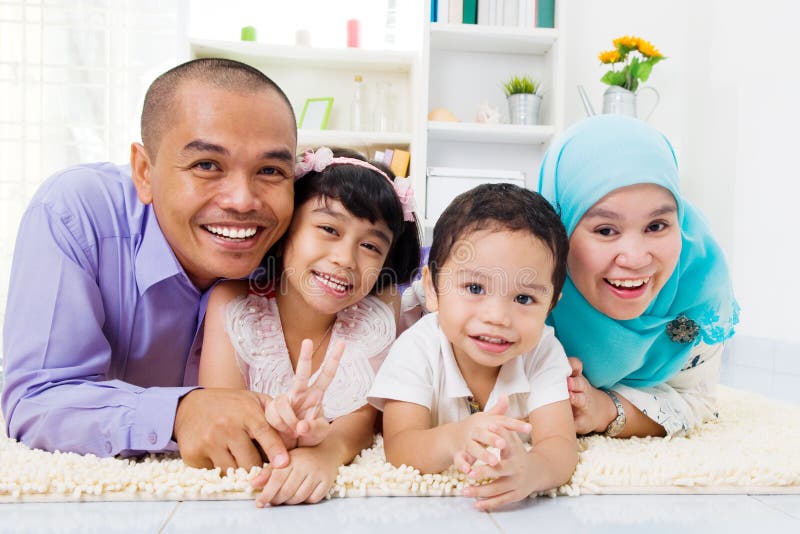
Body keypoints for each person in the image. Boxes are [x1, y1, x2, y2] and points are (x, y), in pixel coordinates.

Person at [2, 58, 299, 470]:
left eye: (270, 170)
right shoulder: (75, 211)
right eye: (207, 165)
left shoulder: (301, 241)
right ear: (144, 171)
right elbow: (36, 397)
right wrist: (179, 412)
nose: (243, 200)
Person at [199, 146, 421, 506]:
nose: (345, 259)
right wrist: (283, 433)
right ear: (286, 230)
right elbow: (221, 409)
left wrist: (325, 452)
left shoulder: (380, 308)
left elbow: (367, 418)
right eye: (329, 229)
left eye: (370, 245)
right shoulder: (231, 302)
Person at [368, 183, 577, 512]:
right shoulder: (417, 347)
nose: (497, 317)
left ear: (550, 305)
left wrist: (534, 471)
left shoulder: (544, 350)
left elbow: (561, 444)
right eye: (475, 287)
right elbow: (399, 446)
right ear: (432, 289)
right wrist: (453, 438)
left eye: (524, 298)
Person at [537, 114, 739, 438]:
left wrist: (606, 409)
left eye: (656, 226)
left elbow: (698, 399)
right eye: (605, 230)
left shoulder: (697, 281)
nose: (635, 258)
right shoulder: (520, 282)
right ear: (559, 230)